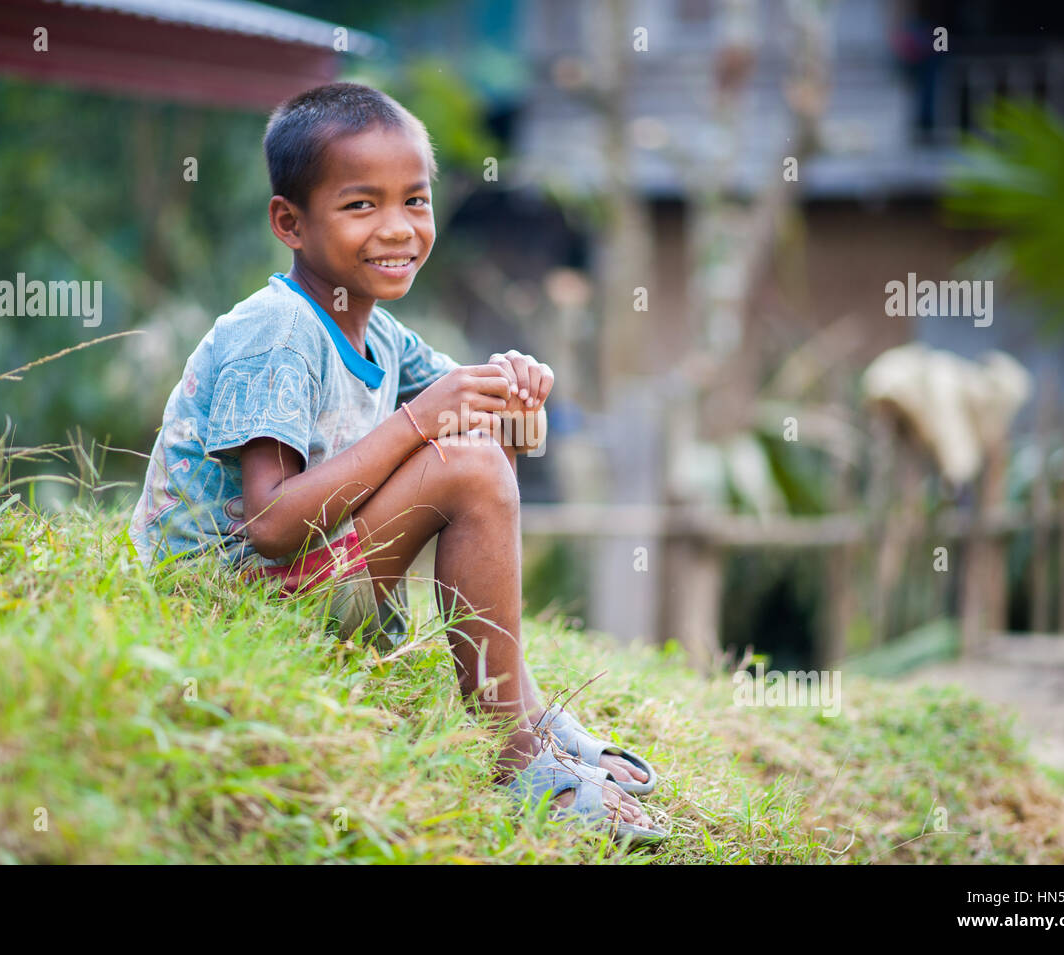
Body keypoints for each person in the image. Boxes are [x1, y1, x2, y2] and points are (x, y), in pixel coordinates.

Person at [129, 82, 664, 846]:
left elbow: (485, 427)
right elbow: (273, 522)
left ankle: (532, 716)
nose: (397, 229)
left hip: (302, 594)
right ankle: (515, 755)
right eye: (360, 206)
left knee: (477, 458)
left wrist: (515, 387)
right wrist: (425, 417)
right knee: (469, 467)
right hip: (230, 610)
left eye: (415, 201)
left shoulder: (381, 335)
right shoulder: (277, 329)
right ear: (290, 221)